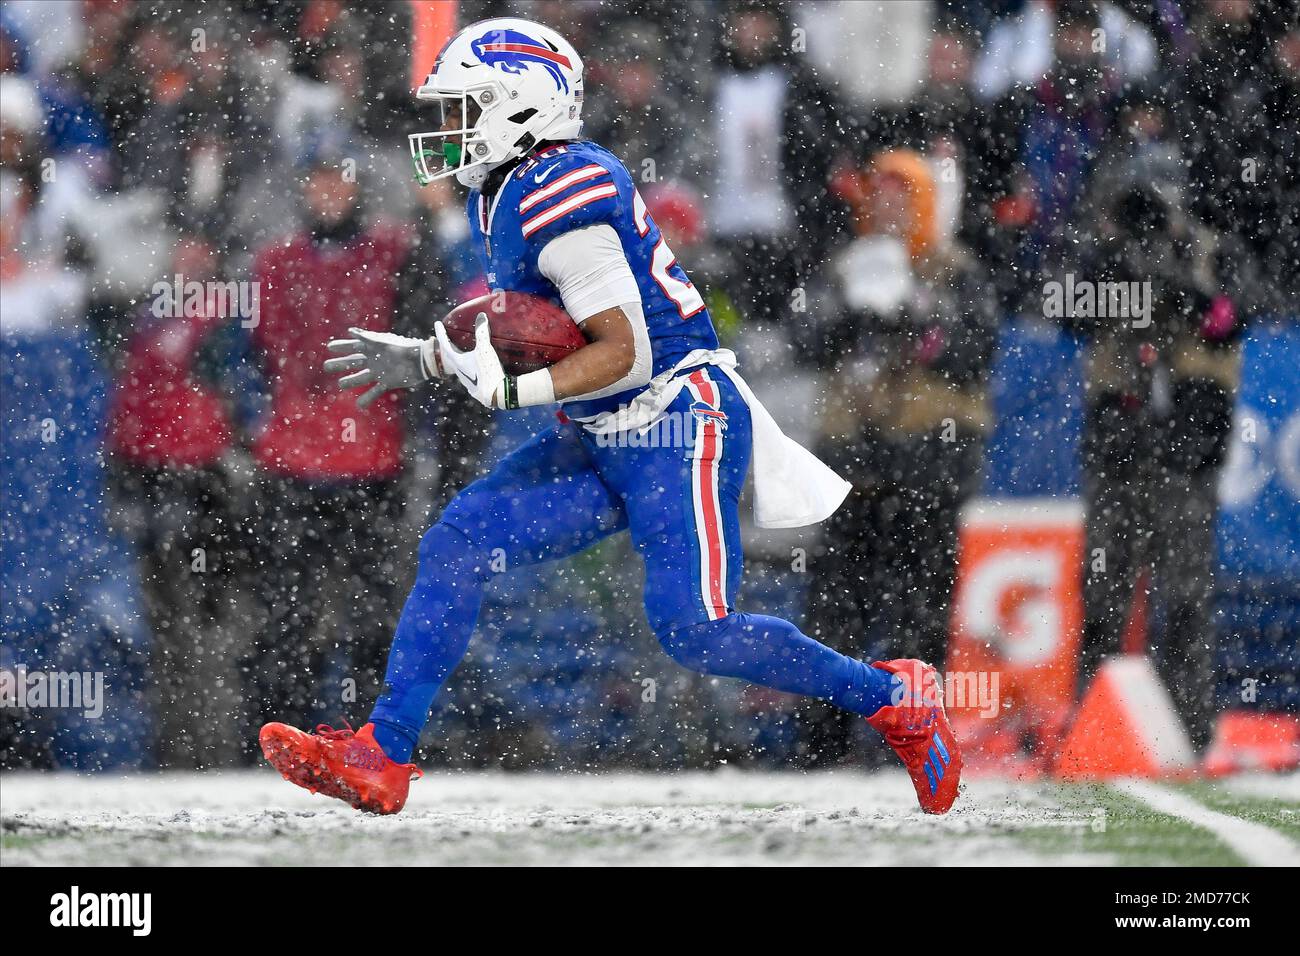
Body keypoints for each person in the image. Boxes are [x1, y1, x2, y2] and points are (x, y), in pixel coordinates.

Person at [257, 17, 962, 815]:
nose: (447, 128)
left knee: (696, 631)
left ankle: (893, 696)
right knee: (458, 540)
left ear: (518, 107)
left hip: (675, 422)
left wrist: (507, 393)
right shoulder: (504, 188)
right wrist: (426, 356)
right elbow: (533, 321)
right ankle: (382, 753)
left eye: (464, 106)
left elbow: (621, 351)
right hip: (601, 430)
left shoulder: (561, 190)